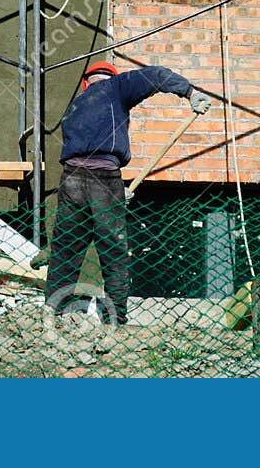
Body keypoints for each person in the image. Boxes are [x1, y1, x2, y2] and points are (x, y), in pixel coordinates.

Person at [45, 59, 210, 327]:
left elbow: (86, 157)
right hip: (103, 179)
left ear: (86, 83)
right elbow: (156, 74)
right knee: (112, 251)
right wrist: (190, 92)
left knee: (65, 250)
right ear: (110, 78)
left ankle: (53, 313)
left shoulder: (75, 107)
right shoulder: (117, 86)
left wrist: (113, 191)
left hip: (71, 181)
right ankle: (115, 318)